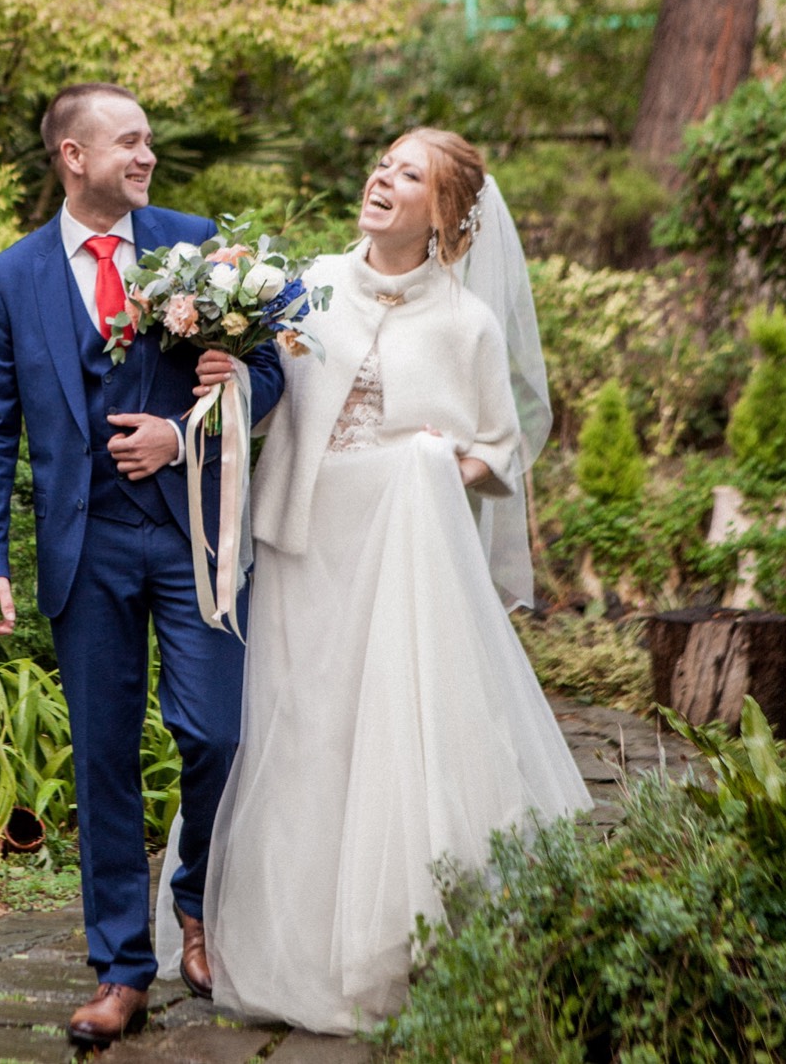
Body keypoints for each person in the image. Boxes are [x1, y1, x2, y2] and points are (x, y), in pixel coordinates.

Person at [197, 127, 591, 1033]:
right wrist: (224, 370)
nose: (382, 175)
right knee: (299, 731)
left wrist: (437, 466)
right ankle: (283, 950)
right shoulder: (310, 286)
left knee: (381, 735)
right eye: (382, 161)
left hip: (397, 555)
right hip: (302, 544)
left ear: (445, 214)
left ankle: (385, 947)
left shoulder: (467, 322)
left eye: (409, 173)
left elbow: (502, 445)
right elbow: (265, 389)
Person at [0, 82, 285, 1047]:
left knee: (216, 732)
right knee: (102, 754)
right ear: (73, 155)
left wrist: (188, 433)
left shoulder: (199, 241)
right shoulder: (11, 278)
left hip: (194, 535)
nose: (146, 156)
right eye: (129, 142)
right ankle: (120, 969)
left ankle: (195, 898)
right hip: (83, 543)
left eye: (148, 141)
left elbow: (269, 371)